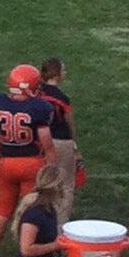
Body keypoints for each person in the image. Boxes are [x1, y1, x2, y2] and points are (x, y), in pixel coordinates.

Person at [0, 65, 56, 257]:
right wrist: (53, 169)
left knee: (2, 210)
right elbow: (47, 143)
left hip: (7, 163)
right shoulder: (40, 109)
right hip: (32, 164)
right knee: (29, 211)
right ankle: (27, 251)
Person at [39, 58, 78, 227]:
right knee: (66, 185)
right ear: (56, 74)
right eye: (63, 70)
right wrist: (75, 145)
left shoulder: (36, 93)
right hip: (61, 141)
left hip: (38, 141)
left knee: (42, 181)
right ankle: (60, 227)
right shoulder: (63, 98)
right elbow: (70, 125)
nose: (65, 73)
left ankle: (38, 222)